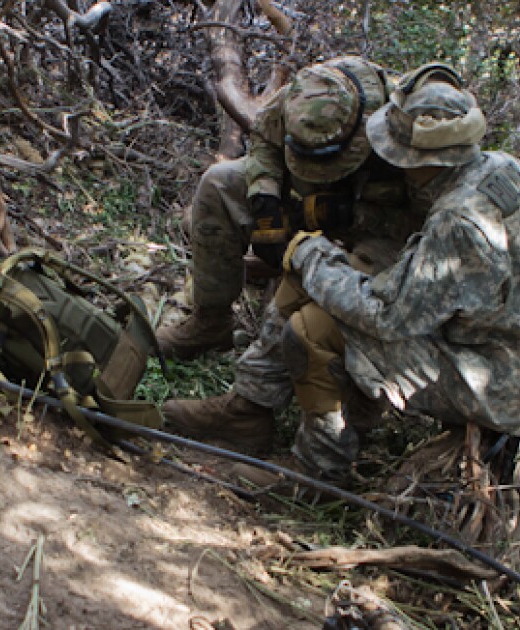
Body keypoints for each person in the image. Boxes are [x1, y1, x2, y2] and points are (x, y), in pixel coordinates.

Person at [271, 65, 520, 481]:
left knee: (313, 329)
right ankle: (336, 413)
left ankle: (317, 472)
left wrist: (311, 255)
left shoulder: (457, 221)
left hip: (497, 388)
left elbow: (386, 317)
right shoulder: (503, 169)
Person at [159, 57, 428, 453]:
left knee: (314, 274)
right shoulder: (309, 91)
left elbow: (425, 226)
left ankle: (250, 406)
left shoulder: (403, 121)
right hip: (311, 202)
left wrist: (354, 217)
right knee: (219, 183)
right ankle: (210, 321)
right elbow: (266, 139)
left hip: (379, 232)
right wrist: (264, 197)